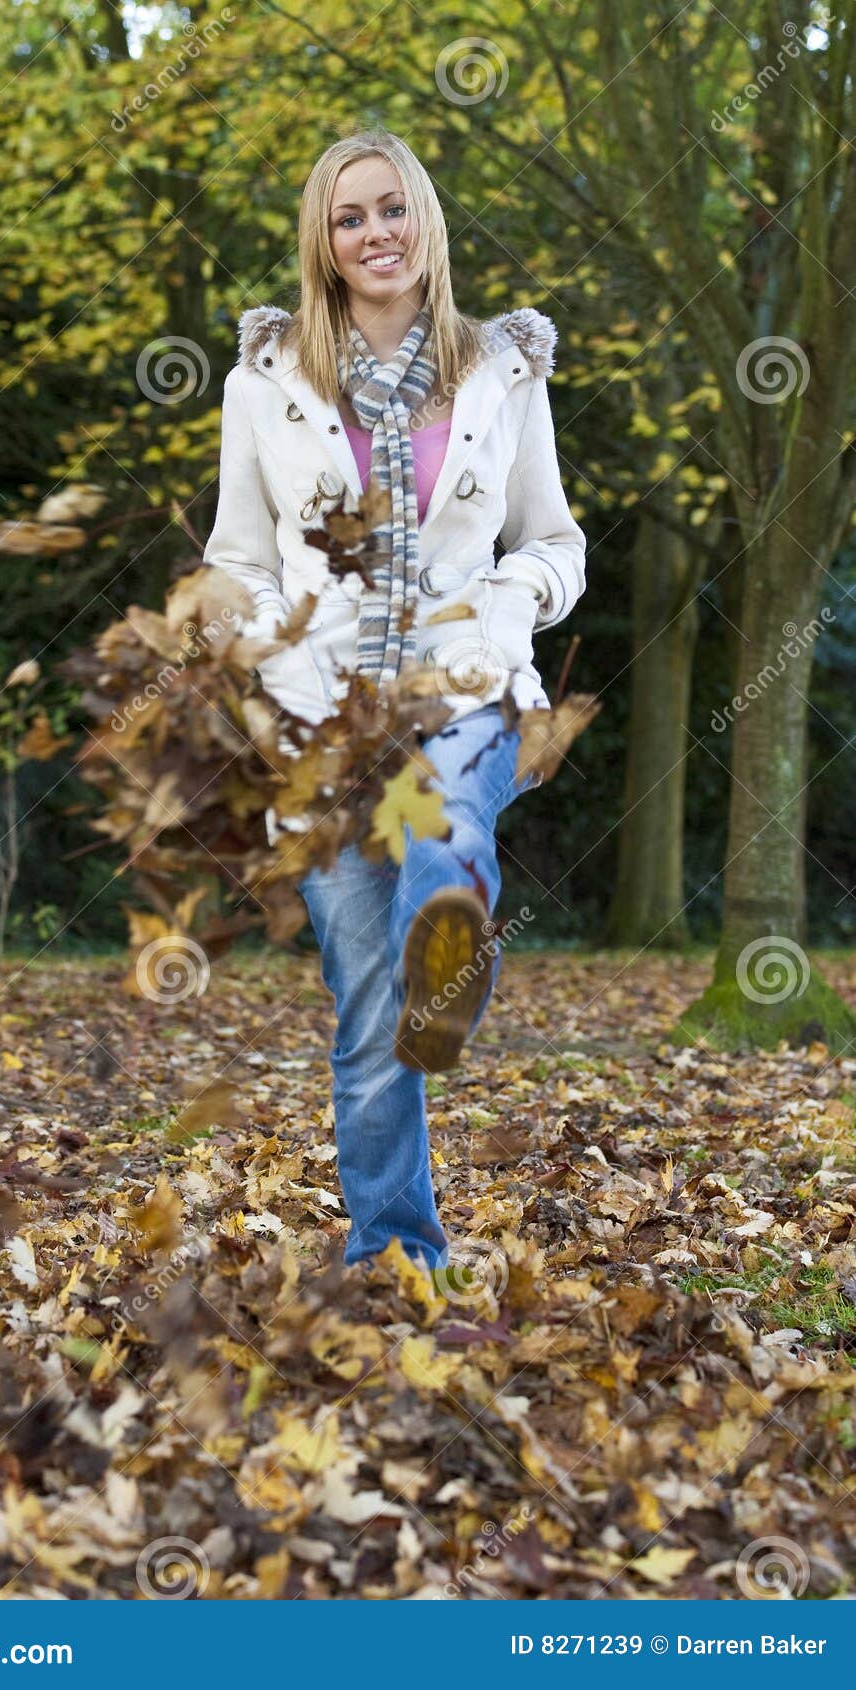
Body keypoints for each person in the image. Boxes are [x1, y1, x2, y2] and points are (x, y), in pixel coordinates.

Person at [202, 129, 587, 1273]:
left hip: (463, 683)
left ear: (425, 218)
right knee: (371, 1015)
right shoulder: (265, 385)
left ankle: (449, 954)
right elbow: (236, 560)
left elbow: (554, 541)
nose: (376, 232)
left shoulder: (501, 372)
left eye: (392, 207)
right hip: (324, 718)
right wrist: (258, 646)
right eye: (349, 217)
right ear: (323, 243)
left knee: (446, 822)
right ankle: (393, 1254)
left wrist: (515, 596)